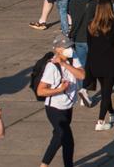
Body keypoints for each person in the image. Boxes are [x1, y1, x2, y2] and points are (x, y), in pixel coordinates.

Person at [36, 35, 84, 167]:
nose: (70, 49)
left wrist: (64, 63)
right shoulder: (51, 67)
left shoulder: (72, 58)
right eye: (66, 47)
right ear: (58, 49)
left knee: (58, 138)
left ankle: (43, 165)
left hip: (68, 107)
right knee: (68, 140)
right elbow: (40, 91)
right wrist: (60, 90)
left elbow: (82, 75)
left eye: (70, 46)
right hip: (54, 108)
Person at [85, 0, 114, 130]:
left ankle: (112, 113)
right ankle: (100, 121)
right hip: (110, 63)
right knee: (106, 93)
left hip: (95, 63)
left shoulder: (91, 25)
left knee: (105, 89)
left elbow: (89, 45)